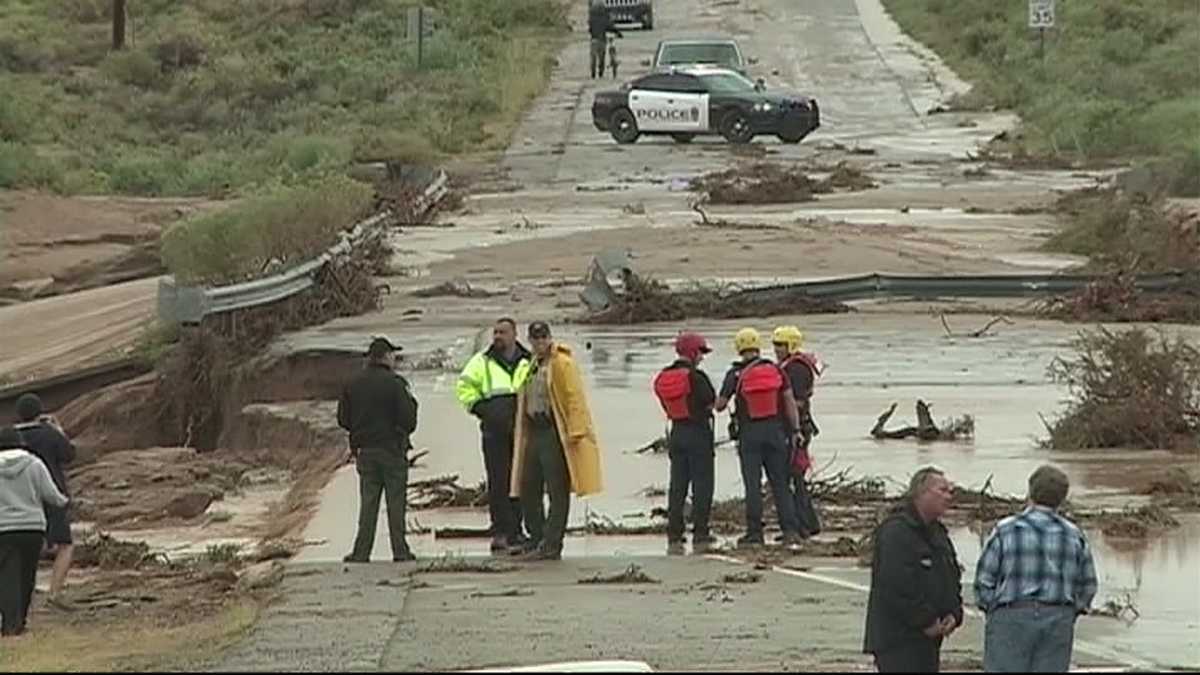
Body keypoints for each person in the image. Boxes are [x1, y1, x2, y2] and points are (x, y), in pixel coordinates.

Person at [975, 465, 1099, 673]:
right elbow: (1088, 585)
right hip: (1058, 615)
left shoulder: (1006, 529)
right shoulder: (1073, 534)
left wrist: (994, 611)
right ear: (1062, 498)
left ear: (1030, 491)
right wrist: (1070, 611)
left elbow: (984, 581)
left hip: (1011, 613)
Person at [510, 321, 603, 561]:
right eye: (535, 338)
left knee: (556, 490)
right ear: (530, 341)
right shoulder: (531, 365)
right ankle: (537, 536)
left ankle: (552, 543)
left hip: (555, 431)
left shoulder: (563, 363)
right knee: (527, 485)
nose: (540, 342)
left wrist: (576, 431)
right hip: (534, 431)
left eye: (543, 337)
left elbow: (574, 397)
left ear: (549, 337)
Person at [863, 466, 965, 673]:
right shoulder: (896, 532)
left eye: (950, 491)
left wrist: (954, 613)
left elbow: (951, 576)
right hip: (898, 639)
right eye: (942, 490)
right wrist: (925, 621)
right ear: (921, 493)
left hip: (931, 639)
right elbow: (896, 585)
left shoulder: (938, 533)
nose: (948, 497)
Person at [714, 327, 804, 548]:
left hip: (749, 434)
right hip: (775, 432)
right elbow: (789, 402)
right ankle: (790, 530)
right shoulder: (775, 370)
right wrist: (795, 430)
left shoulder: (734, 374)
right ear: (758, 347)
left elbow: (720, 405)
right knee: (780, 483)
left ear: (738, 348)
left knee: (752, 485)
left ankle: (754, 533)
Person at [337, 336, 419, 563]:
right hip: (392, 450)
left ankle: (361, 552)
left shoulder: (353, 383)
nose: (394, 358)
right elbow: (409, 420)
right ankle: (400, 551)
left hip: (365, 452)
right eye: (392, 354)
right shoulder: (395, 384)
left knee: (368, 504)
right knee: (395, 503)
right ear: (385, 357)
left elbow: (343, 419)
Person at [456, 318, 533, 554]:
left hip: (522, 430)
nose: (498, 336)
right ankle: (501, 531)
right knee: (498, 481)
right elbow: (464, 388)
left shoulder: (529, 361)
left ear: (514, 334)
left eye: (503, 332)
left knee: (521, 481)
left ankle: (519, 530)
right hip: (494, 431)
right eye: (495, 333)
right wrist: (483, 410)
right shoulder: (481, 361)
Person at [652, 331, 717, 555]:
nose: (702, 357)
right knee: (703, 484)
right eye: (700, 352)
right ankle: (701, 531)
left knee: (677, 484)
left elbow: (663, 402)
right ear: (692, 352)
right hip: (698, 432)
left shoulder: (663, 377)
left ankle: (674, 530)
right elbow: (711, 403)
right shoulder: (697, 377)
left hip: (676, 432)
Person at [0, 426, 69, 637]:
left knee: (7, 574)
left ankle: (10, 623)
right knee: (27, 574)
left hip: (3, 528)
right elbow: (51, 494)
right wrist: (64, 501)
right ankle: (20, 619)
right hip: (33, 527)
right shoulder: (34, 463)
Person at [13, 393, 76, 610]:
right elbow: (69, 455)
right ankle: (54, 592)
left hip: (19, 497)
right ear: (40, 412)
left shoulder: (12, 437)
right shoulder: (49, 434)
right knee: (65, 545)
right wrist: (58, 429)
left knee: (25, 547)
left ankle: (23, 593)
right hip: (52, 495)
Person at [771, 326, 823, 539]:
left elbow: (798, 401)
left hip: (797, 429)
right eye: (775, 345)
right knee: (794, 477)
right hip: (791, 427)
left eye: (781, 345)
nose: (777, 349)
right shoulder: (788, 366)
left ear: (791, 345)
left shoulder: (797, 369)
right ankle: (806, 523)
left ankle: (805, 524)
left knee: (794, 477)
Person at [587, 0, 622, 79]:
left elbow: (590, 29)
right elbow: (610, 27)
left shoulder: (592, 19)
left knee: (593, 57)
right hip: (602, 40)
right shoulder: (605, 18)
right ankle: (600, 72)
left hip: (594, 40)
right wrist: (618, 33)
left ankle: (593, 72)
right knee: (601, 57)